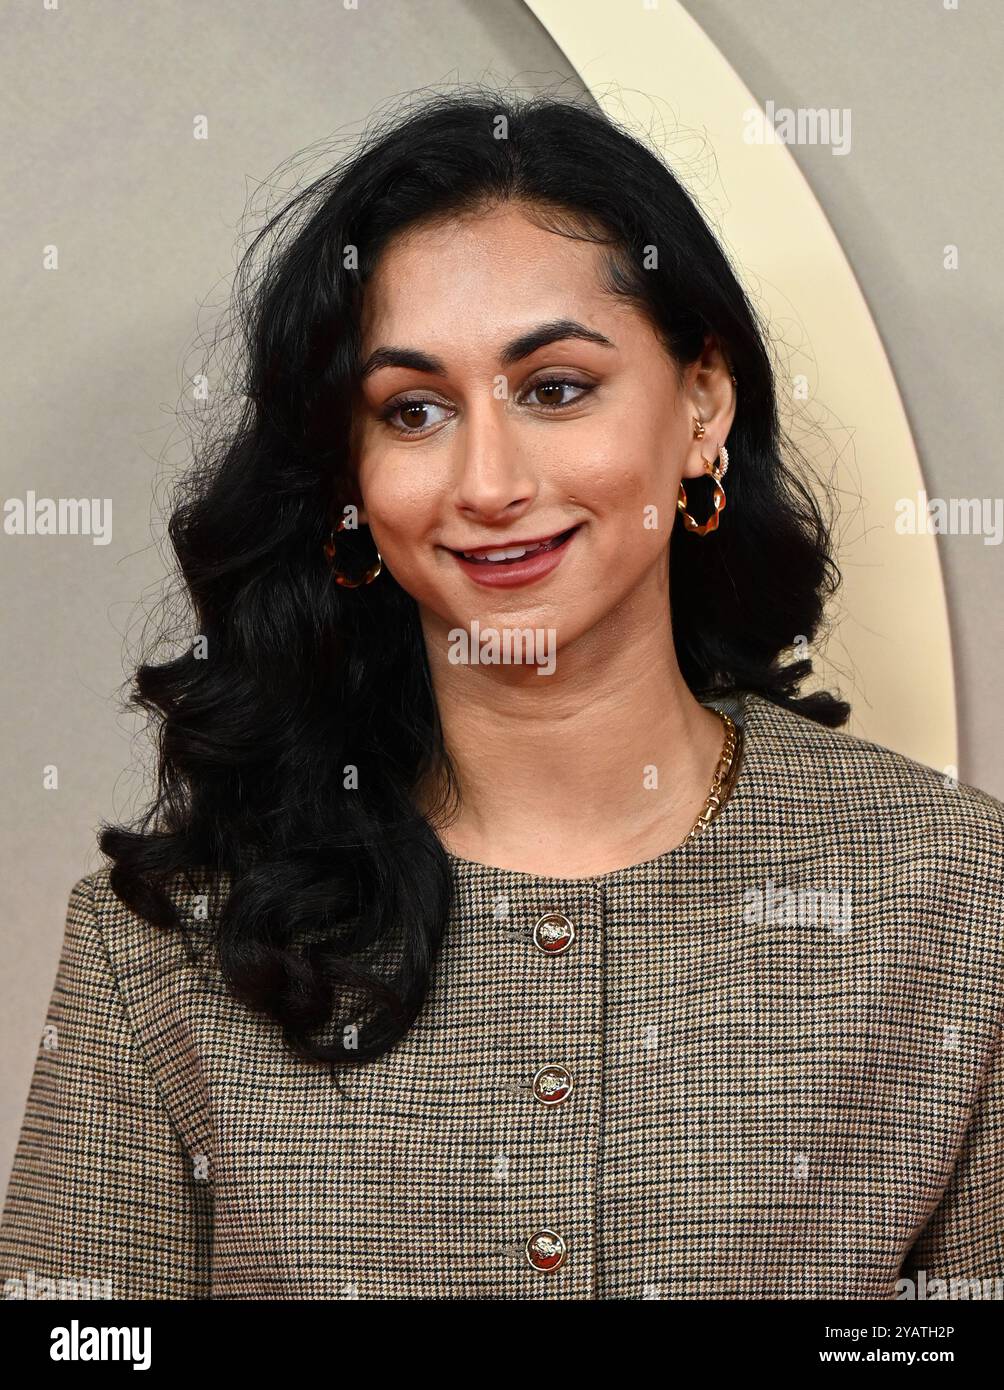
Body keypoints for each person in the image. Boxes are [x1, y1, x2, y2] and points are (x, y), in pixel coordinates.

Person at [2, 88, 1001, 1301]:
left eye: (555, 388)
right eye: (412, 411)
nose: (487, 481)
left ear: (701, 404)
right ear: (348, 478)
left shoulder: (955, 896)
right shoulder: (163, 941)